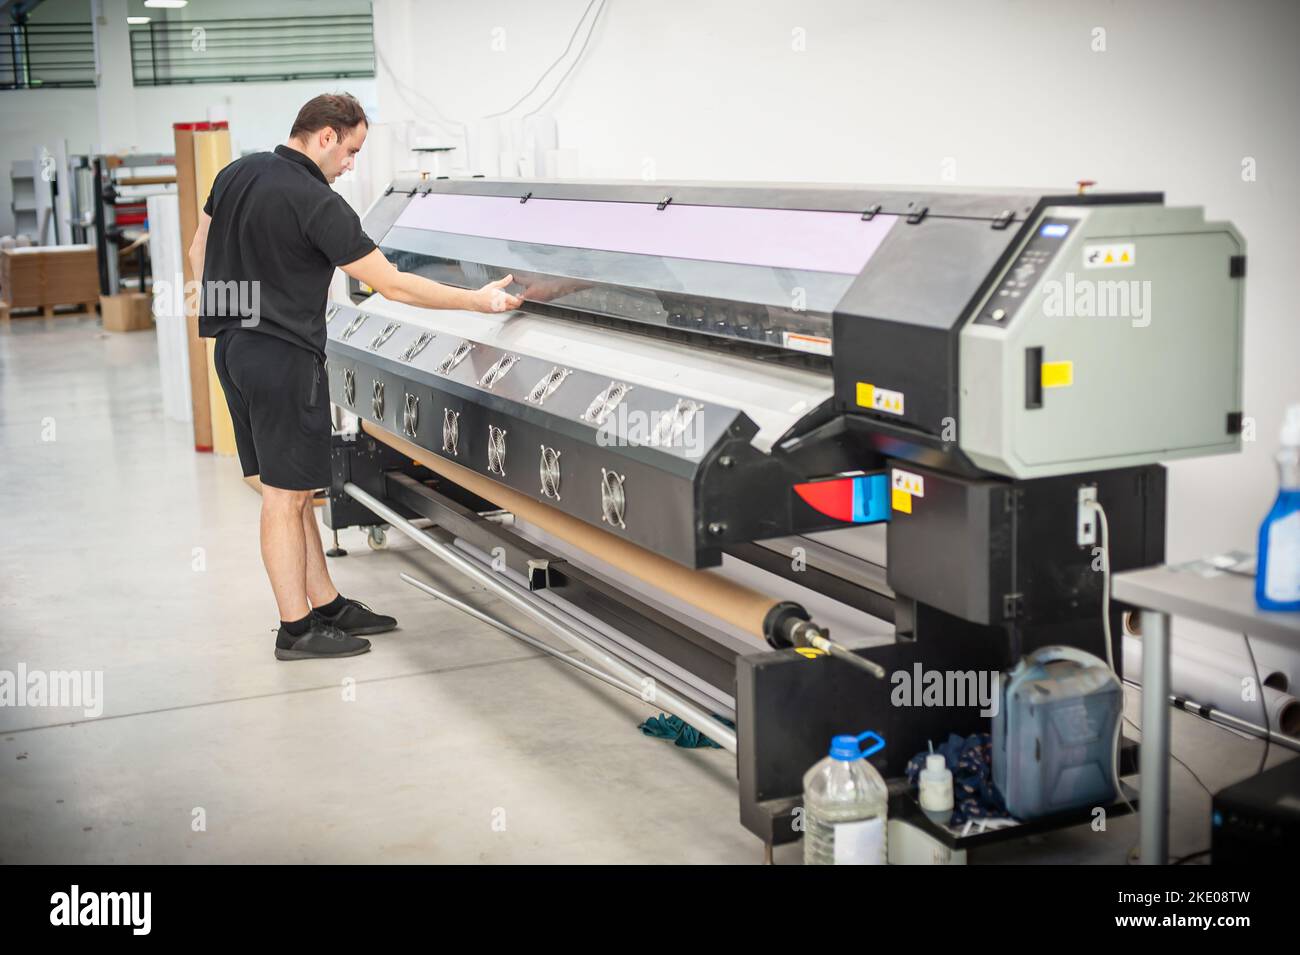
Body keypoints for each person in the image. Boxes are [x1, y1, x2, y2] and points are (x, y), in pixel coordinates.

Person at [189, 92, 522, 661]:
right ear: (324, 136)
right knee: (283, 497)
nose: (350, 165)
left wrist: (243, 309)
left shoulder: (235, 173)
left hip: (235, 350)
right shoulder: (318, 203)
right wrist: (476, 302)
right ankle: (294, 630)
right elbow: (391, 285)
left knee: (294, 493)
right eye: (350, 151)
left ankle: (324, 604)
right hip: (283, 359)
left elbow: (199, 250)